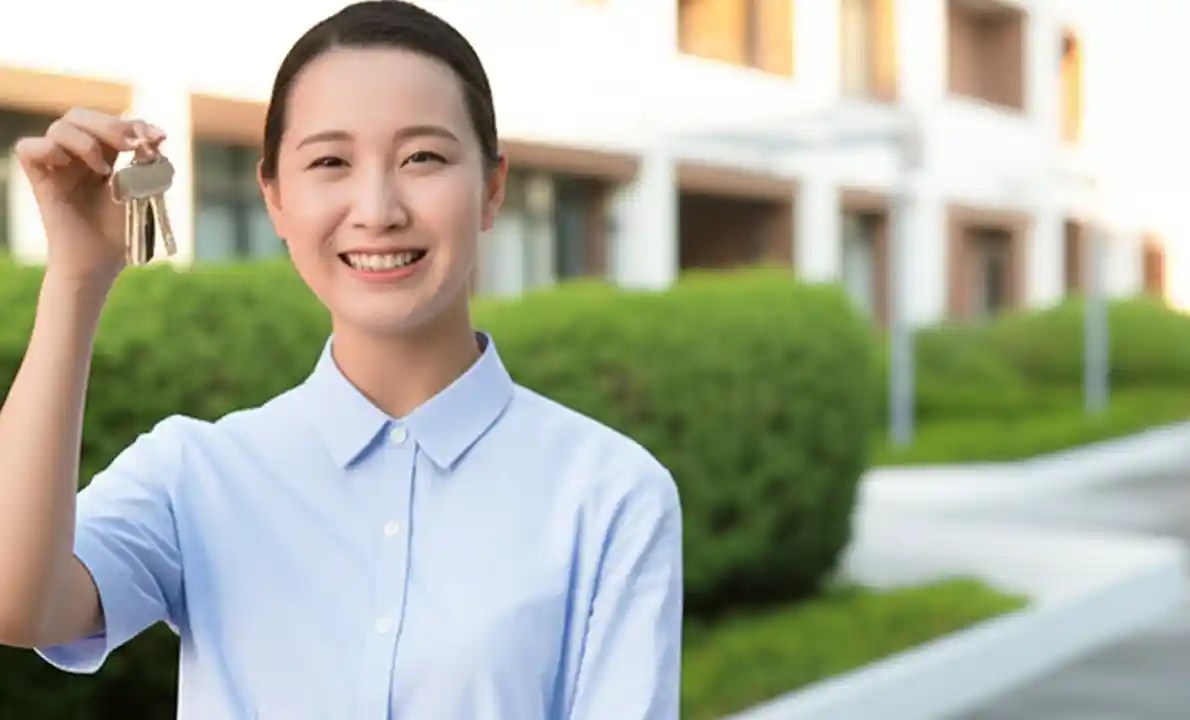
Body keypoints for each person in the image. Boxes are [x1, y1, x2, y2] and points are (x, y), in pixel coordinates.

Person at [0, 2, 684, 718]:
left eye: (423, 157)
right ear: (274, 198)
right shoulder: (195, 474)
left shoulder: (610, 494)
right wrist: (77, 277)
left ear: (491, 187)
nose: (378, 208)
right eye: (330, 161)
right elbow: (18, 603)